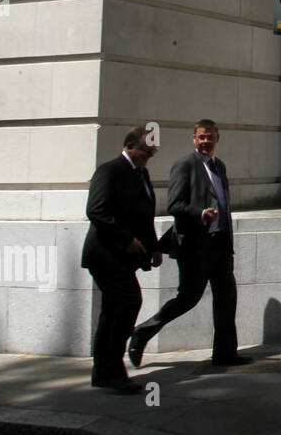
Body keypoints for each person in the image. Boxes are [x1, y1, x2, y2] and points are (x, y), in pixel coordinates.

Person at [128, 120, 251, 368]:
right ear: (194, 139)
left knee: (227, 298)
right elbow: (174, 204)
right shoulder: (184, 165)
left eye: (210, 137)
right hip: (195, 246)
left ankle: (225, 352)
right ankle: (142, 332)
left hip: (221, 244)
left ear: (218, 139)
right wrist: (200, 214)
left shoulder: (219, 167)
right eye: (201, 138)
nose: (206, 142)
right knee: (188, 298)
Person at [81, 126, 162, 393]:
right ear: (129, 145)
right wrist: (125, 239)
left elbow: (144, 215)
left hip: (123, 257)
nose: (147, 158)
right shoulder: (110, 170)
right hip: (105, 254)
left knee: (113, 311)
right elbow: (96, 211)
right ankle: (111, 369)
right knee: (128, 302)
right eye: (144, 152)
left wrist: (153, 247)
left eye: (152, 154)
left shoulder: (141, 174)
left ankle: (104, 370)